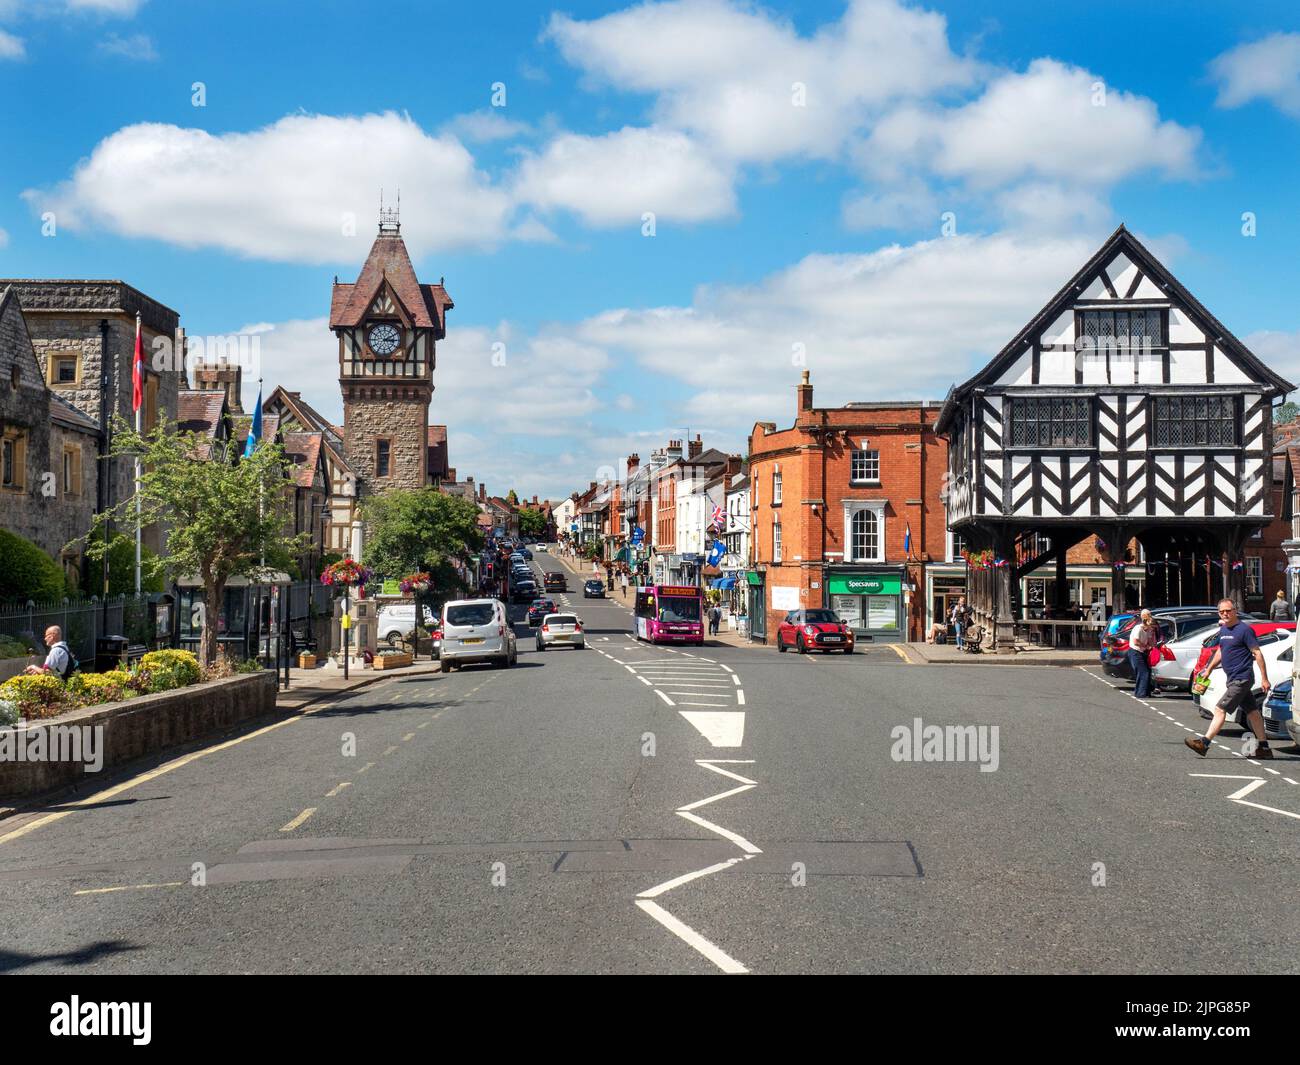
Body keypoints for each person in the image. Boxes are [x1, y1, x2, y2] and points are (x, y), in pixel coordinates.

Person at [1186, 599, 1273, 759]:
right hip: (1233, 678)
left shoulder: (1245, 630)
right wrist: (1208, 670)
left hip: (1242, 678)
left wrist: (1264, 679)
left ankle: (1204, 743)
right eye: (1222, 612)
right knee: (1253, 712)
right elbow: (1220, 651)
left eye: (1228, 610)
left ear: (1235, 610)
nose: (1225, 614)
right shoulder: (1224, 629)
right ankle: (1264, 748)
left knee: (1220, 709)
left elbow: (1257, 653)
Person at [1127, 609, 1159, 698]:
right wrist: (1146, 646)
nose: (1153, 630)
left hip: (1142, 652)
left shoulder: (1148, 630)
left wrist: (1152, 639)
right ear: (1148, 625)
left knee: (1147, 671)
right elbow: (1136, 641)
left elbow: (1151, 642)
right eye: (1152, 628)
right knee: (1143, 672)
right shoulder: (1138, 628)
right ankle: (1141, 693)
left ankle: (1146, 692)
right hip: (1135, 652)